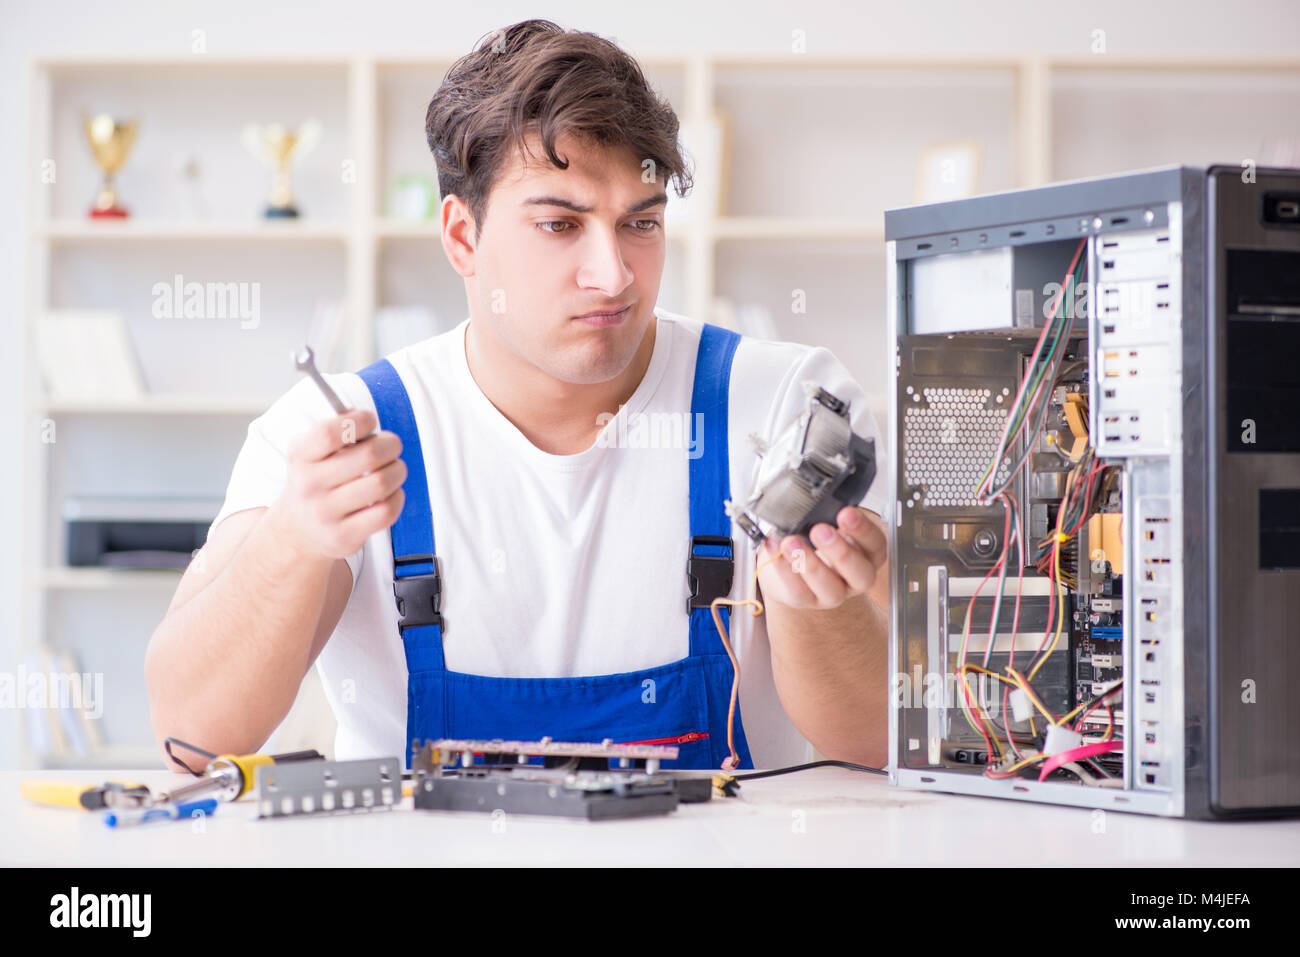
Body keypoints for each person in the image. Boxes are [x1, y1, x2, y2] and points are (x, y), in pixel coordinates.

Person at [145, 19, 892, 772]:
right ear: (462, 237)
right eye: (560, 224)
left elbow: (879, 744)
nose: (614, 274)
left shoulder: (793, 414)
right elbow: (192, 739)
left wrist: (811, 608)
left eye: (640, 222)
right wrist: (292, 541)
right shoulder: (333, 431)